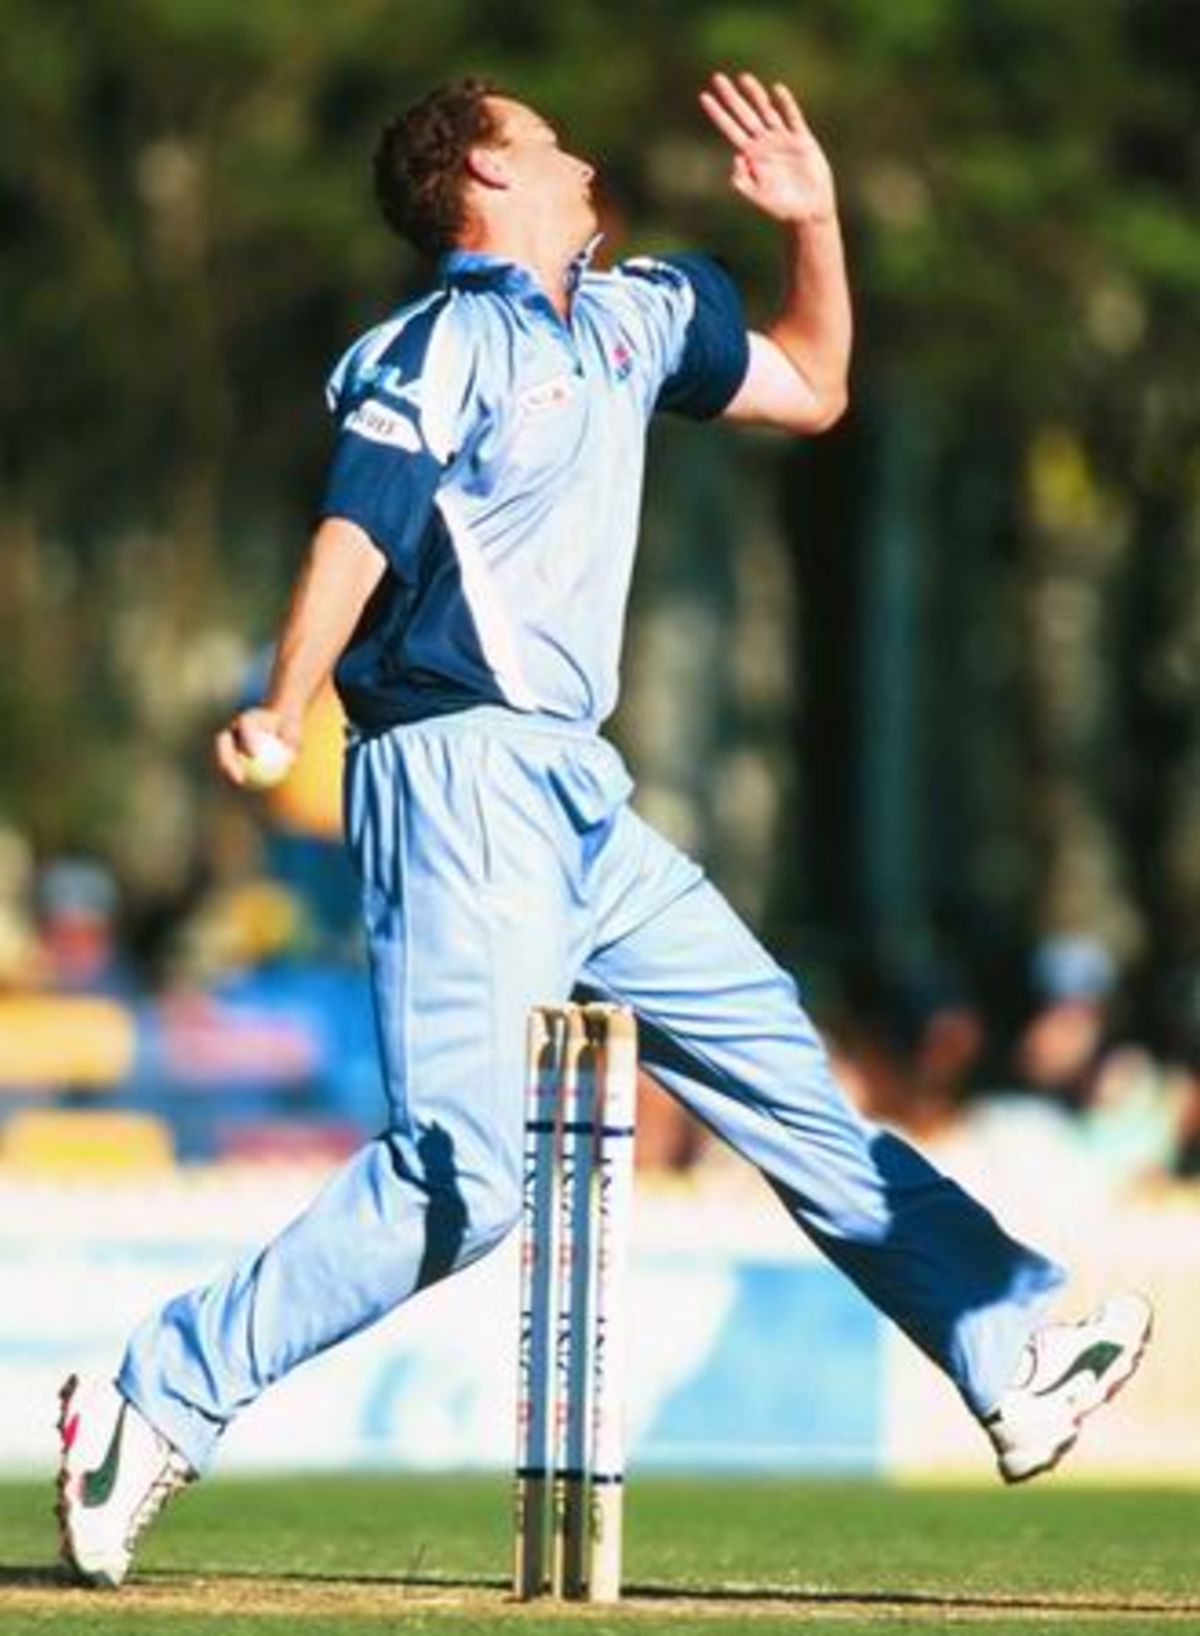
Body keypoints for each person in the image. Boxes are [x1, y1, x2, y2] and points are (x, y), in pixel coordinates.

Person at [56, 70, 1152, 1588]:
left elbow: (815, 388)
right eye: (542, 136)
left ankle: (1009, 1342)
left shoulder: (634, 315)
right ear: (484, 182)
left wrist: (818, 224)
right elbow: (356, 527)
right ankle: (150, 1399)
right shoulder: (437, 345)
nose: (580, 149)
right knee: (466, 1178)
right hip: (453, 775)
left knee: (776, 1058)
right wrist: (287, 702)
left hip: (579, 794)